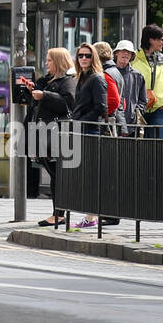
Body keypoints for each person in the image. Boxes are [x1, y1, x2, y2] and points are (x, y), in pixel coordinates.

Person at [19, 47, 76, 227]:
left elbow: (67, 104)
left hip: (55, 133)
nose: (46, 63)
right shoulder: (47, 80)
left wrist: (44, 95)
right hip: (41, 132)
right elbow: (36, 102)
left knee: (56, 174)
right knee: (54, 174)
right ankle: (57, 213)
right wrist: (33, 91)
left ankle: (58, 213)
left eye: (49, 60)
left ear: (58, 62)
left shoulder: (67, 81)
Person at [69, 43, 108, 228]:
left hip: (91, 130)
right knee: (86, 174)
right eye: (80, 55)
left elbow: (101, 107)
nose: (83, 59)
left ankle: (92, 217)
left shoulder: (96, 79)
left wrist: (83, 120)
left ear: (94, 58)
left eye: (87, 56)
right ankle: (90, 216)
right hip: (82, 129)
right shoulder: (82, 78)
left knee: (92, 174)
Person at [132, 24, 163, 139]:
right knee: (137, 146)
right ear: (151, 40)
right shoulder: (133, 58)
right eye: (161, 39)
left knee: (157, 147)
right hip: (137, 110)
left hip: (158, 110)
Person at [113, 39, 146, 135]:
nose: (126, 54)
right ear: (116, 53)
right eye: (123, 51)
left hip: (131, 125)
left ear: (132, 56)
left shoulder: (137, 75)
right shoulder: (108, 73)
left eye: (129, 52)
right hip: (111, 123)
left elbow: (143, 100)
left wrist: (136, 113)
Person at [93, 41, 123, 135]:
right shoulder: (115, 71)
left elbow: (114, 101)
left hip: (105, 122)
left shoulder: (106, 73)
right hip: (110, 119)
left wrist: (98, 114)